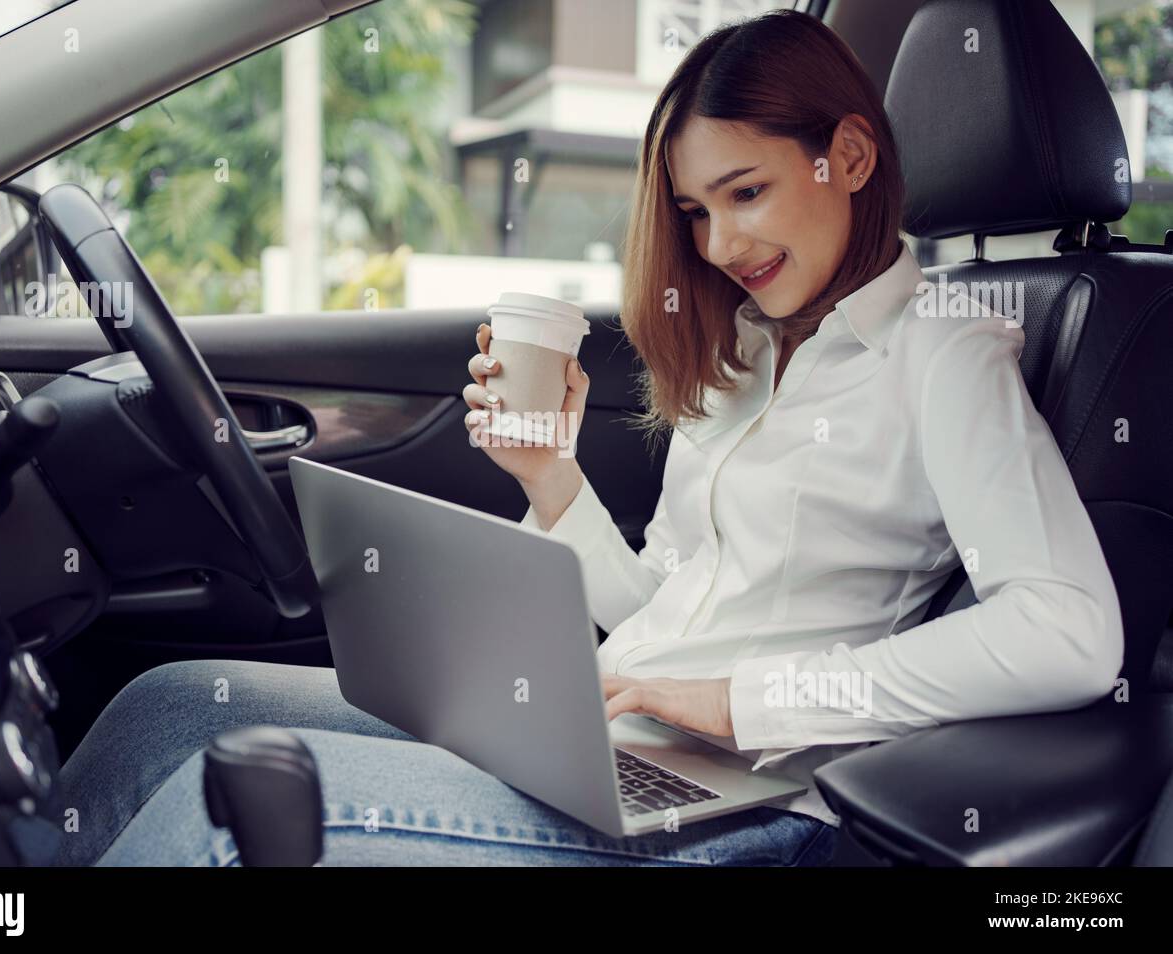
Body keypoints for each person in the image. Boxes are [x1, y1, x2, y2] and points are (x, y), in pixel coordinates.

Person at [58, 8, 1122, 867]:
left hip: (747, 808)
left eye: (745, 192)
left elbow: (1069, 629)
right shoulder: (748, 350)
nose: (720, 243)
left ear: (845, 155)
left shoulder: (944, 352)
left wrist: (729, 698)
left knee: (219, 809)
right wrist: (550, 475)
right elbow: (662, 598)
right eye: (696, 212)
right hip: (612, 739)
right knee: (170, 705)